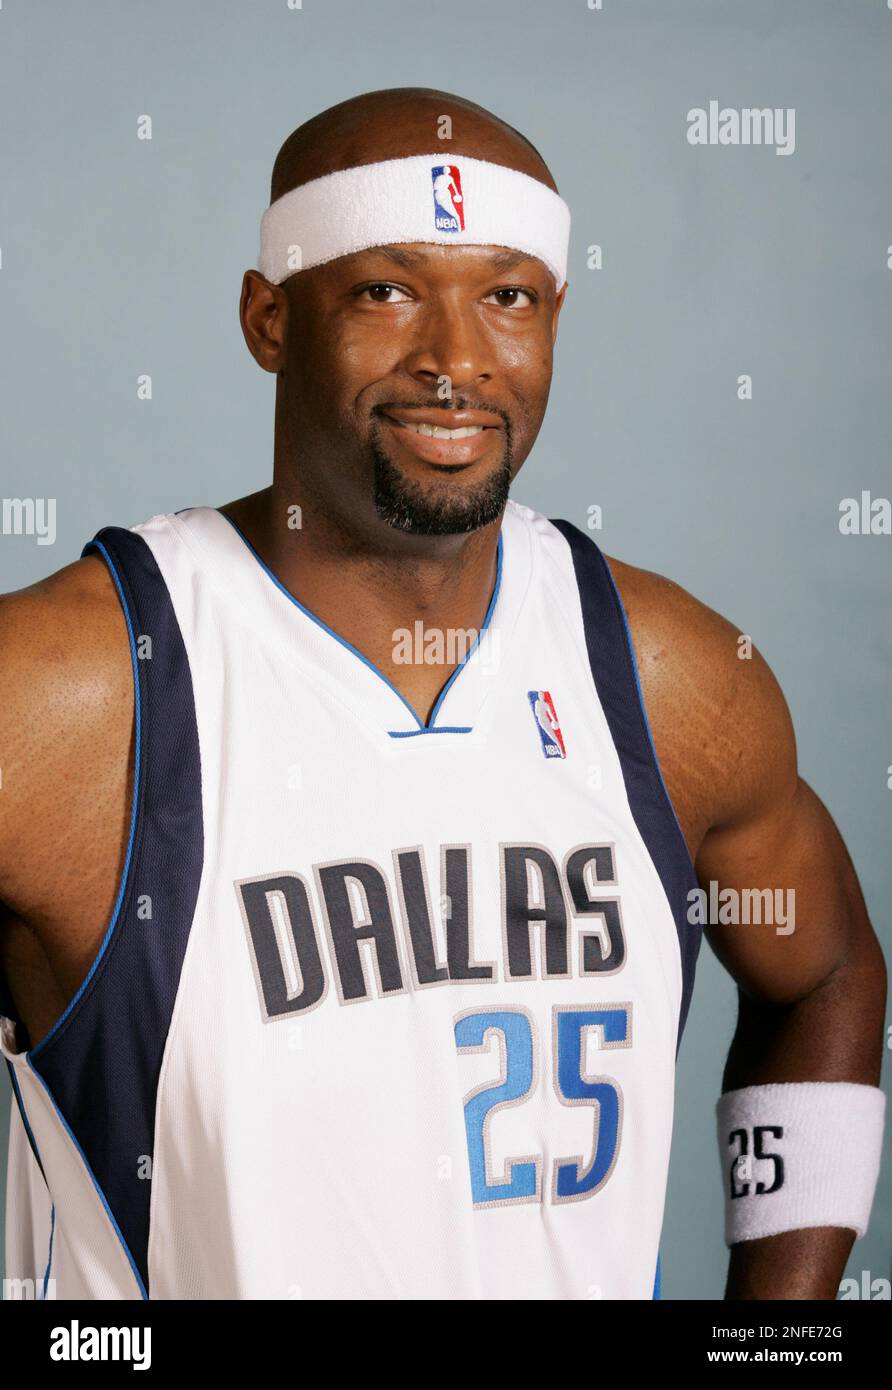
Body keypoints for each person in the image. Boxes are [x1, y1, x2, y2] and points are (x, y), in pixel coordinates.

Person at [0, 87, 884, 1301]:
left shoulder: (668, 675)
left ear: (555, 317)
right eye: (386, 290)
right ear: (269, 318)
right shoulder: (75, 694)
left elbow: (827, 972)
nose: (456, 360)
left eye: (506, 297)